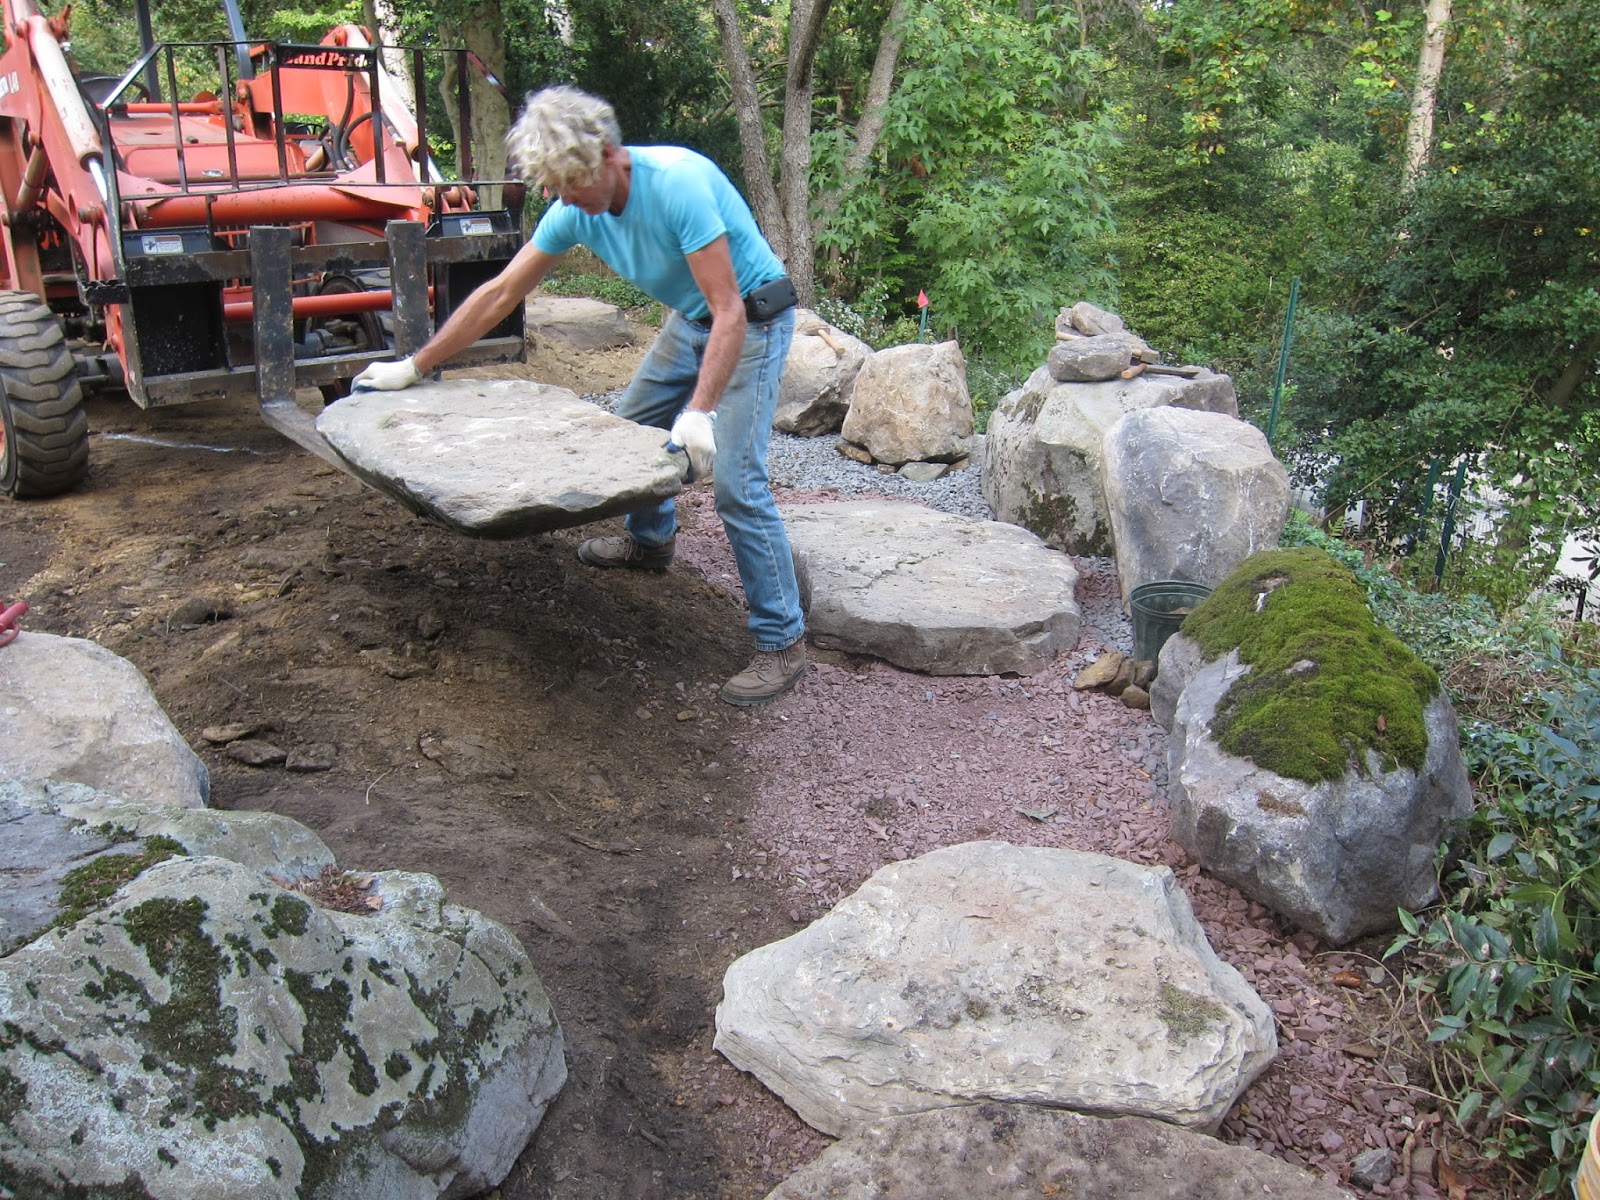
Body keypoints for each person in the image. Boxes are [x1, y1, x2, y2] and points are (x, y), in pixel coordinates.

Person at [351, 86, 807, 706]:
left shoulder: (678, 185)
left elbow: (728, 309)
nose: (564, 199)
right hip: (691, 319)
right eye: (554, 186)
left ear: (609, 156)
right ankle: (650, 544)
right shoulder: (573, 207)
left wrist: (699, 414)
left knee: (737, 482)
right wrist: (416, 364)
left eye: (571, 183)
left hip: (752, 320)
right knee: (630, 428)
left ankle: (782, 640)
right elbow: (501, 293)